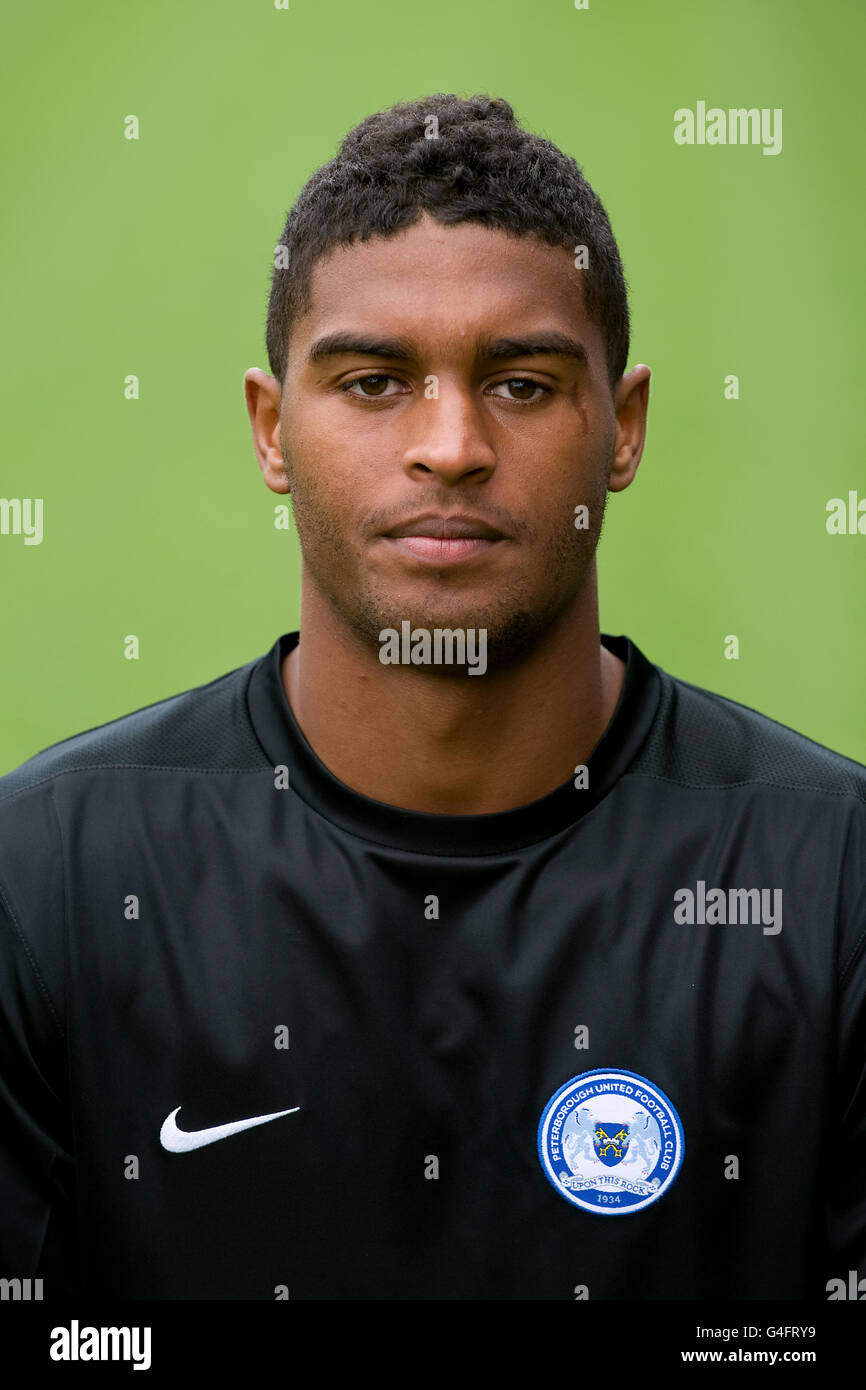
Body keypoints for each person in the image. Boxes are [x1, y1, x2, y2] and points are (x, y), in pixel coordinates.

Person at [0, 92, 863, 1301]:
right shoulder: (47, 881)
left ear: (621, 427)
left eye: (518, 383)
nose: (449, 442)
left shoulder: (832, 882)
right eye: (371, 382)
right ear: (270, 430)